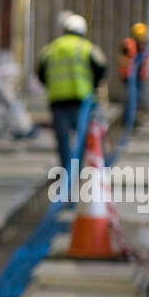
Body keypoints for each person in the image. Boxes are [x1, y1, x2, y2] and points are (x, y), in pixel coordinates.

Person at [37, 12, 106, 177]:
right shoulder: (86, 47)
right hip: (80, 101)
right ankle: (77, 172)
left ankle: (65, 172)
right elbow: (101, 67)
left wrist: (52, 86)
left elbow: (40, 72)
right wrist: (94, 86)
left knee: (62, 140)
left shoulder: (51, 48)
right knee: (81, 138)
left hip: (58, 101)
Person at [119, 22, 149, 131]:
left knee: (136, 98)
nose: (142, 38)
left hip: (138, 77)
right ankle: (128, 121)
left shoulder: (142, 47)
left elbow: (145, 59)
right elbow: (122, 60)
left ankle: (132, 119)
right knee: (130, 98)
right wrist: (133, 64)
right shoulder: (128, 45)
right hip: (129, 77)